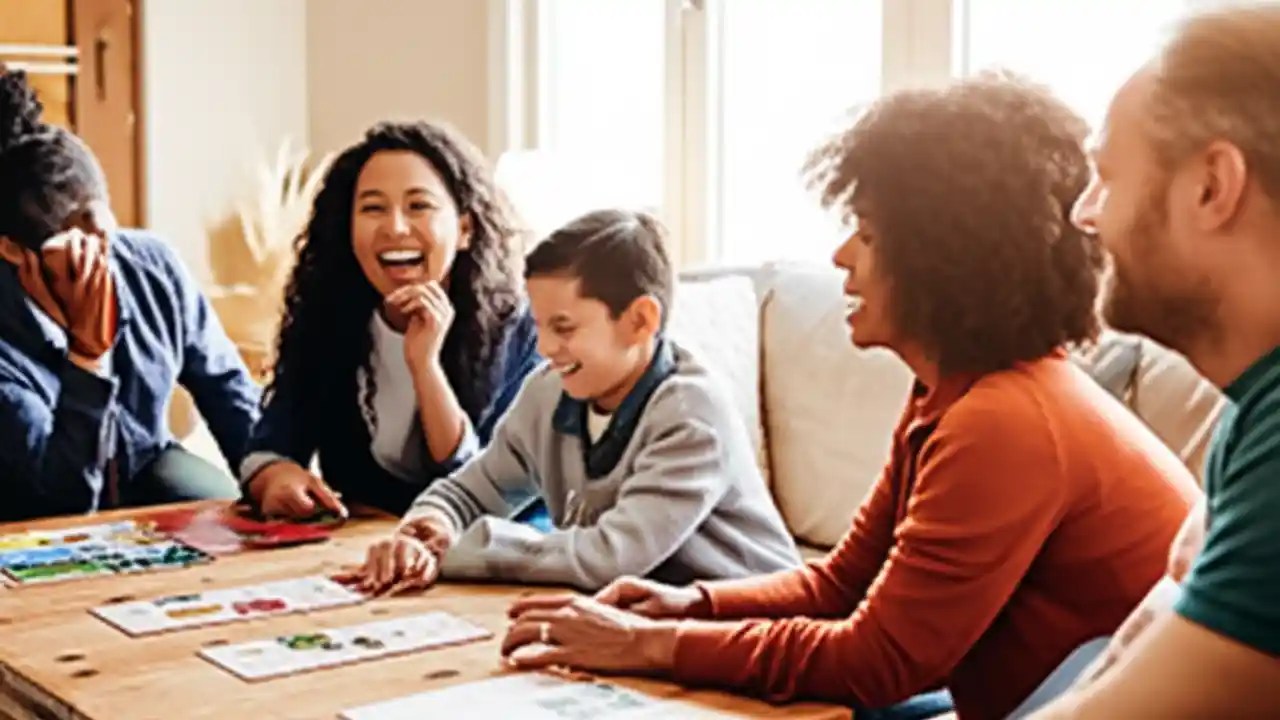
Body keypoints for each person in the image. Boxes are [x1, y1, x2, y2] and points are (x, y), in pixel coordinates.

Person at [499, 73, 1201, 720]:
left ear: (943, 263)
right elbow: (839, 584)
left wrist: (648, 645)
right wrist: (688, 605)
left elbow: (877, 663)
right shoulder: (952, 393)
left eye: (866, 234)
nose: (841, 256)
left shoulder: (1006, 420)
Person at [1028, 6, 1280, 717]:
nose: (1085, 212)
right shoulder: (1253, 409)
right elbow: (1130, 655)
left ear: (1211, 186)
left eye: (1105, 175)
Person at [345, 208, 799, 595]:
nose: (543, 347)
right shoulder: (550, 392)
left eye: (563, 328)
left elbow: (611, 557)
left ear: (640, 321)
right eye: (538, 325)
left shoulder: (691, 415)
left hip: (757, 636)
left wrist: (457, 550)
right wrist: (425, 529)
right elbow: (472, 489)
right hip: (641, 626)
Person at [240, 121, 543, 521]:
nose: (395, 227)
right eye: (373, 208)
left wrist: (425, 366)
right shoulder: (329, 316)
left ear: (465, 229)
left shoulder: (520, 332)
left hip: (495, 551)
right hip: (368, 547)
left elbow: (486, 493)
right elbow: (269, 445)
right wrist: (276, 477)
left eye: (419, 206)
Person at [0, 67, 260, 520]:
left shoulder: (150, 263)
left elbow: (226, 387)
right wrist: (87, 357)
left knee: (226, 505)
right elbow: (64, 502)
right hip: (36, 497)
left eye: (104, 236)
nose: (99, 261)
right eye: (74, 253)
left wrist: (271, 468)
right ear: (13, 252)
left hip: (144, 462)